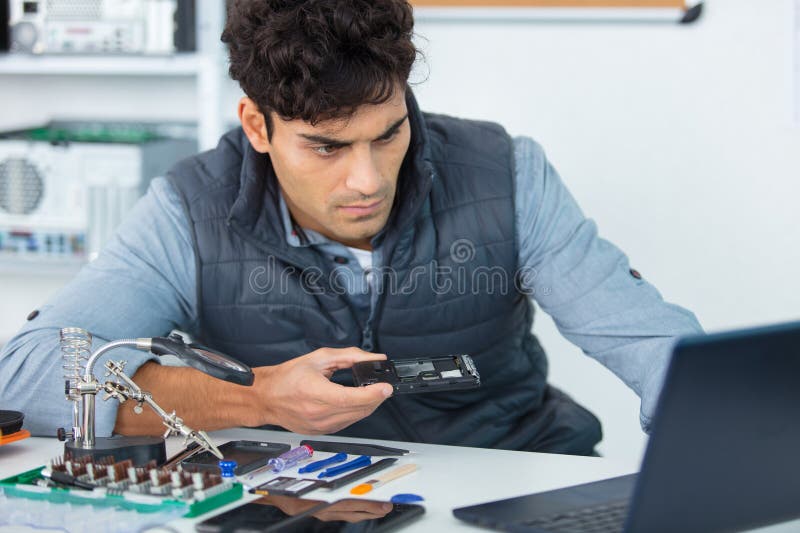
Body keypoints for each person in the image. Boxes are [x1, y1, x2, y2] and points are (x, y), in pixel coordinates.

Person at [0, 0, 702, 455]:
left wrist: (722, 422)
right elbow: (27, 377)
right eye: (327, 147)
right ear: (258, 127)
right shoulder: (189, 209)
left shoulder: (505, 172)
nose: (367, 179)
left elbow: (650, 340)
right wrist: (258, 397)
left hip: (511, 490)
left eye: (388, 133)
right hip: (294, 509)